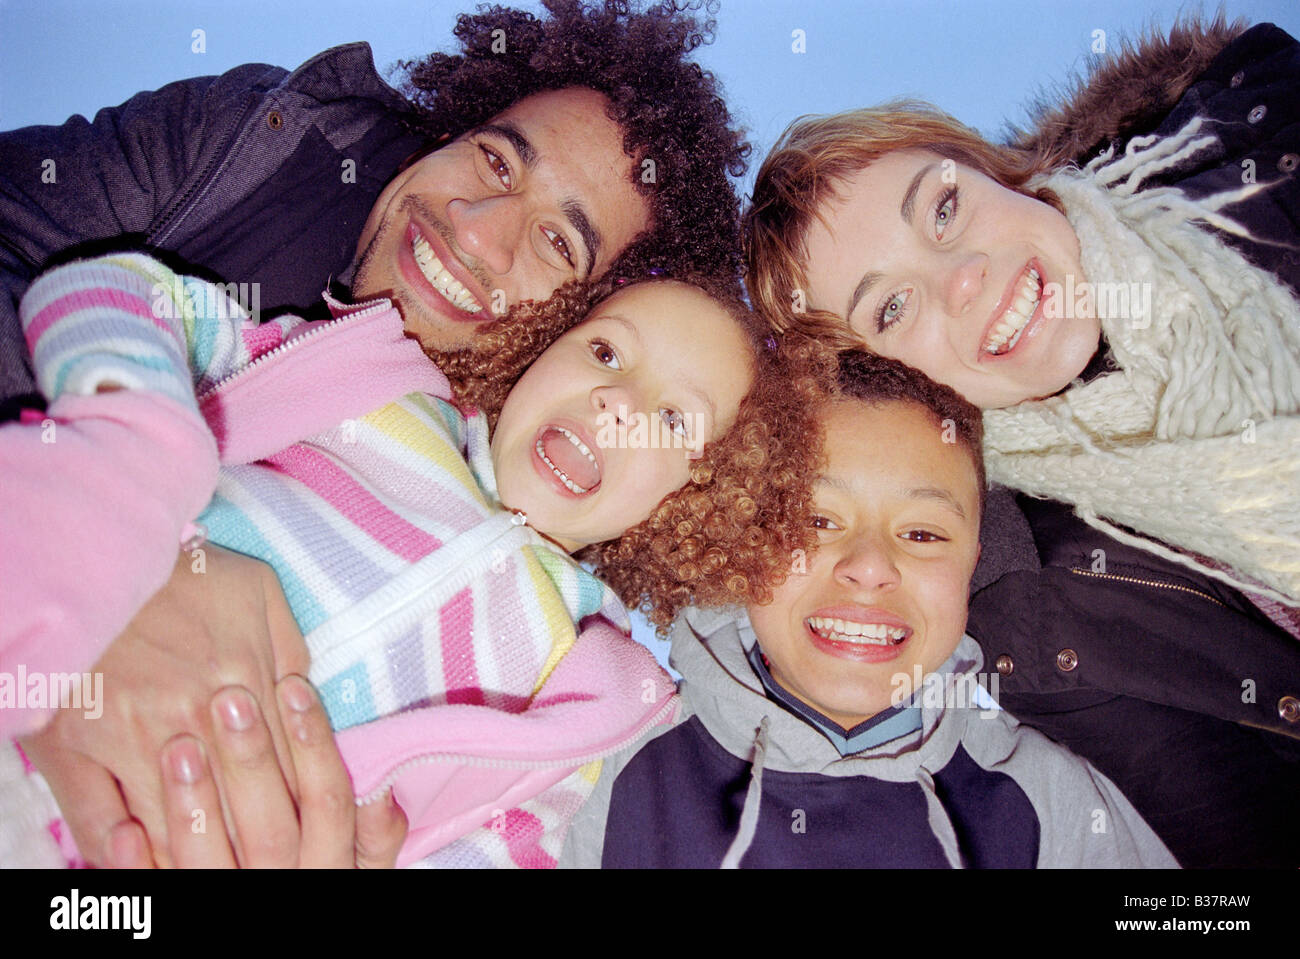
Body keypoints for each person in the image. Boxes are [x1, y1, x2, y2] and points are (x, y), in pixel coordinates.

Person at [0, 0, 752, 866]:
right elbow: (112, 296)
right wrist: (118, 546)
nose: (477, 224)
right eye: (497, 157)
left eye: (556, 242)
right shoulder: (265, 151)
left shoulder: (588, 676)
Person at [2, 250, 819, 867]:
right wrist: (139, 443)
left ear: (691, 503)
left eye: (675, 420)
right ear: (540, 345)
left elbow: (502, 853)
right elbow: (126, 290)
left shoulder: (585, 686)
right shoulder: (373, 385)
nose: (617, 402)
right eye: (606, 353)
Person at [743, 17, 1300, 866]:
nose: (963, 276)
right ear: (894, 390)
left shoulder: (1262, 126)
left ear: (1005, 174)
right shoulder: (1040, 619)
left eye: (943, 206)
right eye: (891, 308)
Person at [561, 351, 1175, 868]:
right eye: (817, 521)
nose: (871, 565)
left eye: (924, 535)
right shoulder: (606, 760)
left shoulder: (1046, 802)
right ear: (746, 535)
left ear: (973, 563)